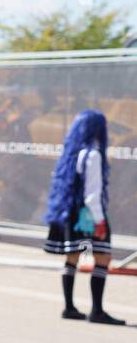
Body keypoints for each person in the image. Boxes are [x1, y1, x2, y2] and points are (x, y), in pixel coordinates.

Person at [43, 109, 124, 325]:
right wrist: (99, 221)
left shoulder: (72, 152)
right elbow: (92, 192)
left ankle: (69, 306)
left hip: (69, 211)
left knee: (72, 257)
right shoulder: (94, 155)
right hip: (88, 213)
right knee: (103, 258)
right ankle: (97, 310)